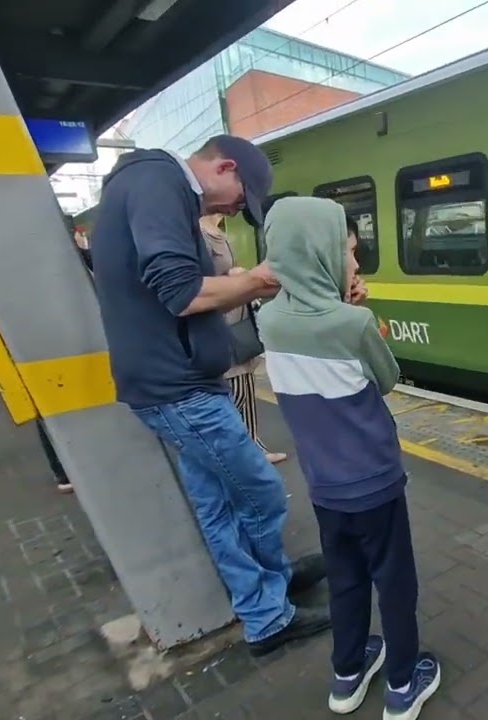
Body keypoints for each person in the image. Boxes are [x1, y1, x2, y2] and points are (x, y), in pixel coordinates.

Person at [87, 134, 331, 657]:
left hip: (180, 381)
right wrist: (259, 280)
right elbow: (182, 294)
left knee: (218, 502)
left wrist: (245, 282)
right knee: (261, 493)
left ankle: (268, 590)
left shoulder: (153, 185)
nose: (236, 210)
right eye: (242, 199)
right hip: (177, 388)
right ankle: (268, 613)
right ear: (225, 167)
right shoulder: (158, 181)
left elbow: (176, 286)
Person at [258, 196, 439, 719]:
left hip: (323, 484)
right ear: (318, 254)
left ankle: (347, 676)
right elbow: (387, 379)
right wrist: (358, 310)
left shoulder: (269, 320)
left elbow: (307, 324)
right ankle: (402, 685)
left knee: (346, 577)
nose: (355, 264)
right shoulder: (352, 323)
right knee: (394, 581)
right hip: (375, 482)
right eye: (348, 252)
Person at [199, 212, 287, 465]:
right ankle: (247, 451)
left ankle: (247, 447)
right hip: (223, 322)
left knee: (242, 382)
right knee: (237, 384)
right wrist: (233, 278)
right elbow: (197, 282)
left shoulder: (216, 232)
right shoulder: (201, 235)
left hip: (236, 319)